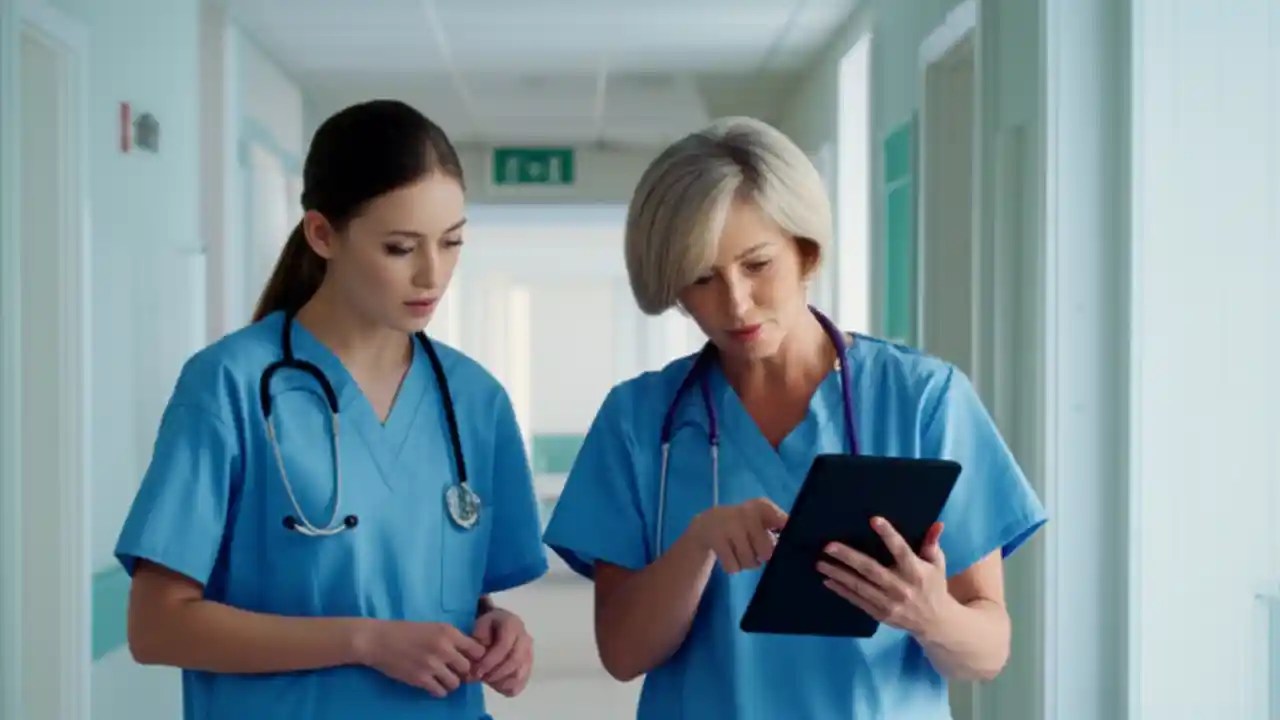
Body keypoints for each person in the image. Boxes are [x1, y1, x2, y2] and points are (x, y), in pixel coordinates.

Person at [542, 116, 1048, 719]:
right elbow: (623, 653)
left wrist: (930, 614)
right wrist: (697, 545)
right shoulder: (639, 420)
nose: (736, 303)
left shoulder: (922, 400)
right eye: (703, 278)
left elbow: (986, 655)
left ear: (805, 250)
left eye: (757, 264)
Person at [115, 99, 548, 720]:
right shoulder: (230, 385)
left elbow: (433, 590)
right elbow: (157, 628)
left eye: (451, 243)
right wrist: (364, 641)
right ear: (323, 235)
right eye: (400, 248)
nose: (433, 274)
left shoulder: (474, 400)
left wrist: (497, 629)